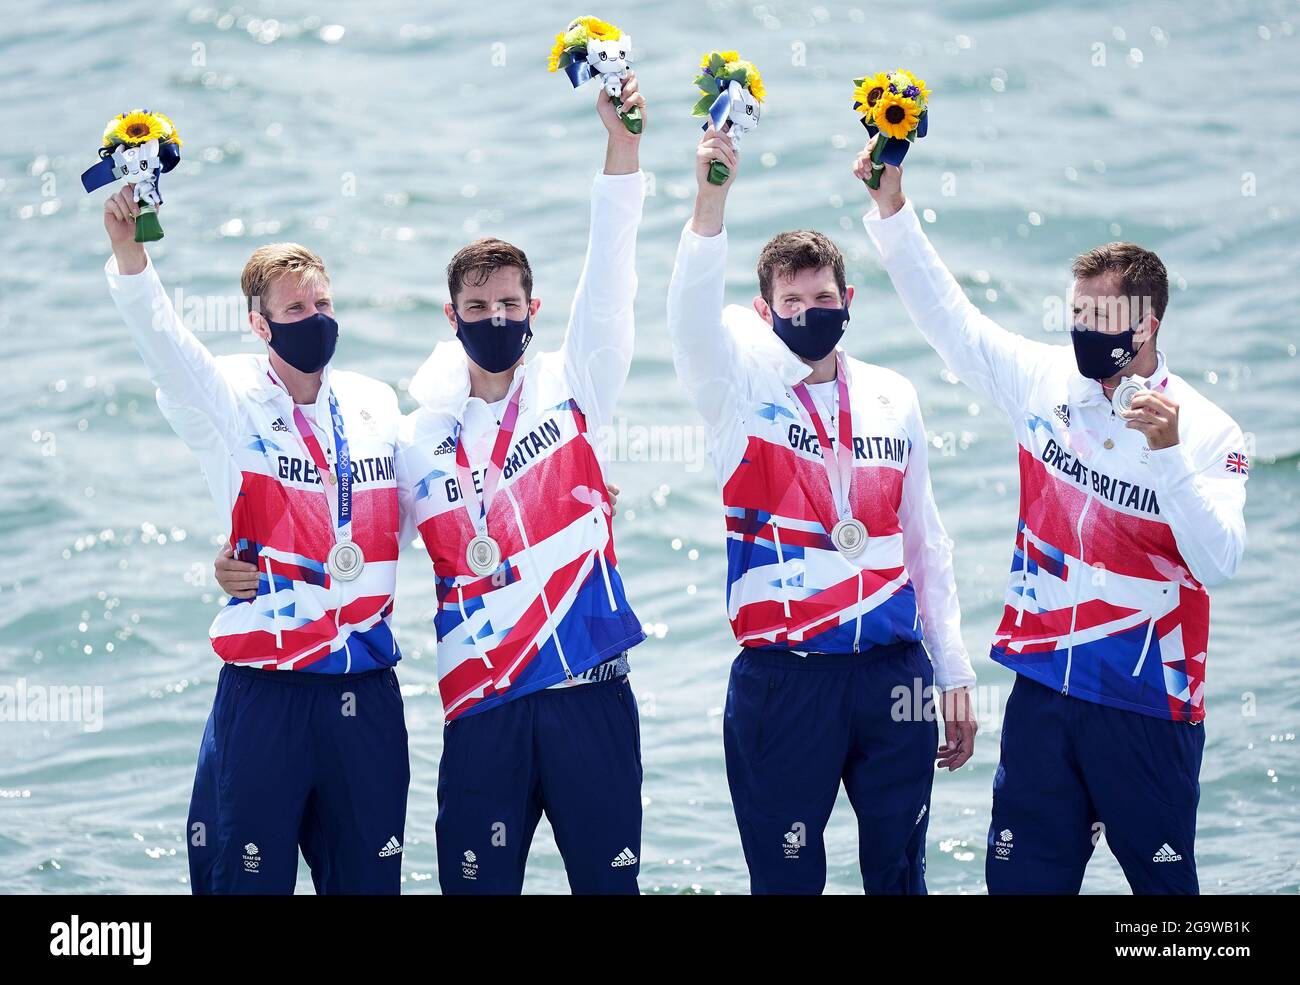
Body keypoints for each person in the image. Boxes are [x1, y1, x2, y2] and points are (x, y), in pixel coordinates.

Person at [857, 136, 1248, 895]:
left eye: (1100, 316)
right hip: (1041, 695)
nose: (1082, 331)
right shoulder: (1046, 381)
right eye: (1076, 313)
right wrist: (891, 206)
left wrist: (1168, 454)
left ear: (1148, 326)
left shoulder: (1207, 429)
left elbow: (1220, 561)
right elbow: (953, 323)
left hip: (1146, 706)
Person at [666, 124, 978, 895]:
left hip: (894, 674)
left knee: (901, 879)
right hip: (784, 678)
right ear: (764, 311)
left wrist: (954, 671)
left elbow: (925, 543)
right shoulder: (737, 394)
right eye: (792, 300)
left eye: (824, 296)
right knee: (786, 883)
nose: (811, 309)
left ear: (850, 301)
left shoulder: (892, 394)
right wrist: (712, 197)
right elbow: (688, 320)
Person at [104, 192, 408, 894]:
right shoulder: (231, 401)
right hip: (265, 695)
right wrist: (131, 254)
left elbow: (436, 498)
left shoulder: (374, 404)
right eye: (296, 310)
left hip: (364, 695)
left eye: (323, 304)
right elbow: (166, 348)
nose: (315, 319)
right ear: (259, 324)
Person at [394, 69, 649, 895]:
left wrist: (622, 146)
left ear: (535, 308)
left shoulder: (576, 383)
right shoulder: (414, 439)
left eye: (511, 302)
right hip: (484, 708)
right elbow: (346, 539)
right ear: (451, 315)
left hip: (589, 695)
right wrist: (241, 563)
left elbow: (611, 275)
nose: (496, 317)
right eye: (479, 305)